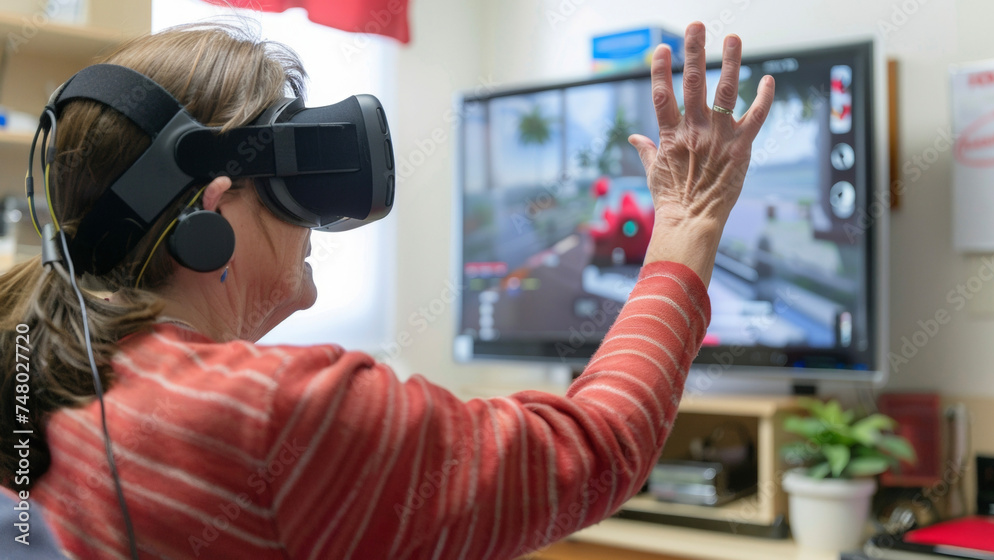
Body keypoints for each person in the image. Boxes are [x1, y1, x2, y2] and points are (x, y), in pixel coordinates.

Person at [0, 20, 773, 560]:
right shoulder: (279, 416)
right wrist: (689, 220)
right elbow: (594, 449)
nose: (312, 215)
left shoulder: (33, 368)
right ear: (215, 215)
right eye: (290, 184)